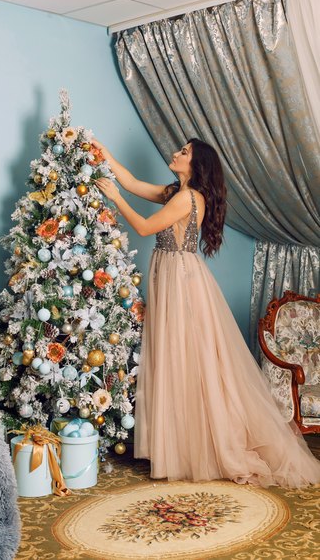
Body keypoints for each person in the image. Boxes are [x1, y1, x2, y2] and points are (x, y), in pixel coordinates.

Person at [93, 137, 320, 488]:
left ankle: (195, 448)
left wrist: (115, 199)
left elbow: (143, 227)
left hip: (180, 281)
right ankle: (180, 446)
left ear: (196, 165)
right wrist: (101, 150)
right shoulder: (176, 191)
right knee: (178, 358)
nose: (175, 153)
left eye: (183, 152)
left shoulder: (187, 197)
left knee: (186, 358)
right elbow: (133, 182)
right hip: (173, 274)